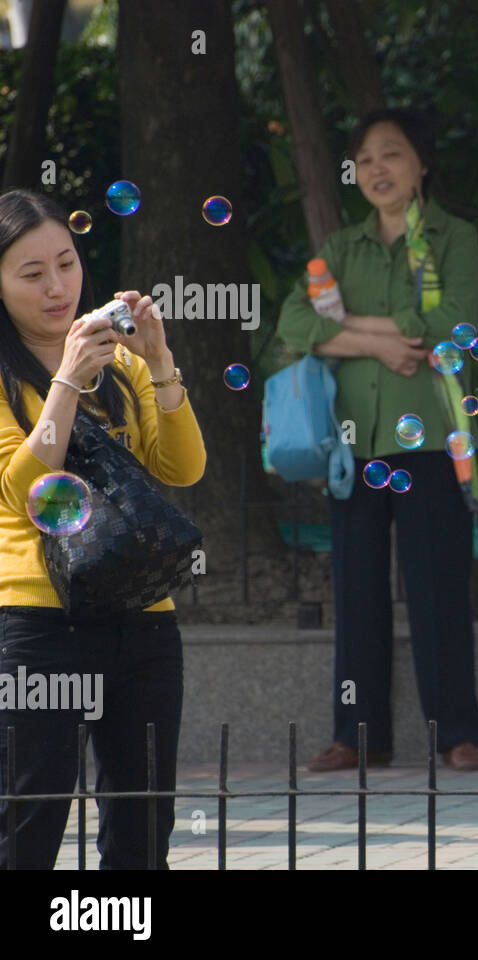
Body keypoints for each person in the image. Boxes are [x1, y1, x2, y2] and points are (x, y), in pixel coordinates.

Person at [278, 107, 478, 772]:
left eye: (392, 154)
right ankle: (358, 735)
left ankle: (458, 732)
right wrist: (383, 340)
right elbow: (291, 318)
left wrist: (358, 331)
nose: (377, 168)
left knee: (438, 590)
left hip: (429, 440)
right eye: (365, 157)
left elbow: (454, 321)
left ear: (421, 165)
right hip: (353, 446)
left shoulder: (456, 238)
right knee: (357, 593)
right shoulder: (342, 248)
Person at [0, 188, 205, 868]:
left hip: (142, 613)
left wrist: (160, 362)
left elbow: (183, 467)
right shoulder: (12, 375)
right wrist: (64, 380)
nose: (57, 287)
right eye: (32, 274)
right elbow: (27, 490)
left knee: (142, 828)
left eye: (66, 262)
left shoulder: (119, 363)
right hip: (38, 620)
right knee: (29, 821)